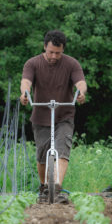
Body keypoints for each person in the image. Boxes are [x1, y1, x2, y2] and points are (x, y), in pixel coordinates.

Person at [20, 30, 87, 204]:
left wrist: (81, 92)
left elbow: (80, 81)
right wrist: (25, 93)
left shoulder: (71, 64)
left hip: (64, 114)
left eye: (58, 53)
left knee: (62, 149)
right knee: (42, 156)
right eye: (51, 52)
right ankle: (44, 186)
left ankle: (56, 186)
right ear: (45, 47)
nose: (54, 56)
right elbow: (26, 81)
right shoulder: (32, 63)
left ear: (63, 50)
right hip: (41, 114)